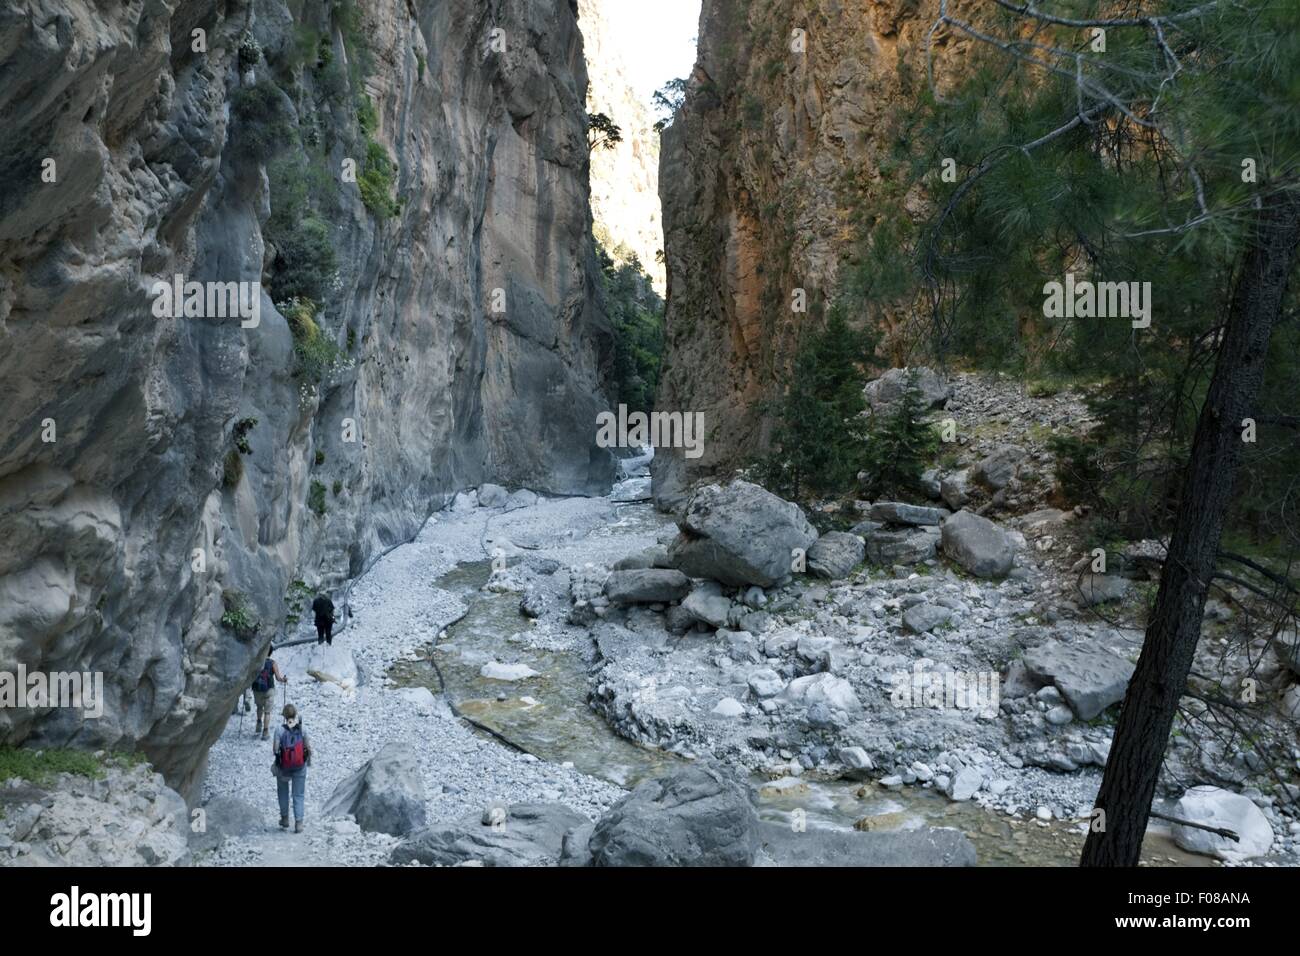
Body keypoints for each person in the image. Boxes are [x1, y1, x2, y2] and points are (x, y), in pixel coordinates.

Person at [272, 704, 312, 833]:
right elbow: (308, 748)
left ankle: (284, 819)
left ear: (284, 716)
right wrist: (308, 760)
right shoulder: (302, 728)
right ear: (296, 715)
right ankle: (299, 823)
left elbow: (275, 749)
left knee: (283, 791)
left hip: (284, 767)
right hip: (300, 766)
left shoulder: (279, 729)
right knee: (298, 794)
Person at [250, 653, 286, 740]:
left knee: (259, 707)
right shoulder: (273, 663)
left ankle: (258, 724)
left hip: (256, 689)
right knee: (267, 712)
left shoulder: (256, 661)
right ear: (271, 652)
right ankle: (265, 732)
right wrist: (283, 679)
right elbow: (278, 678)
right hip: (269, 690)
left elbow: (250, 675)